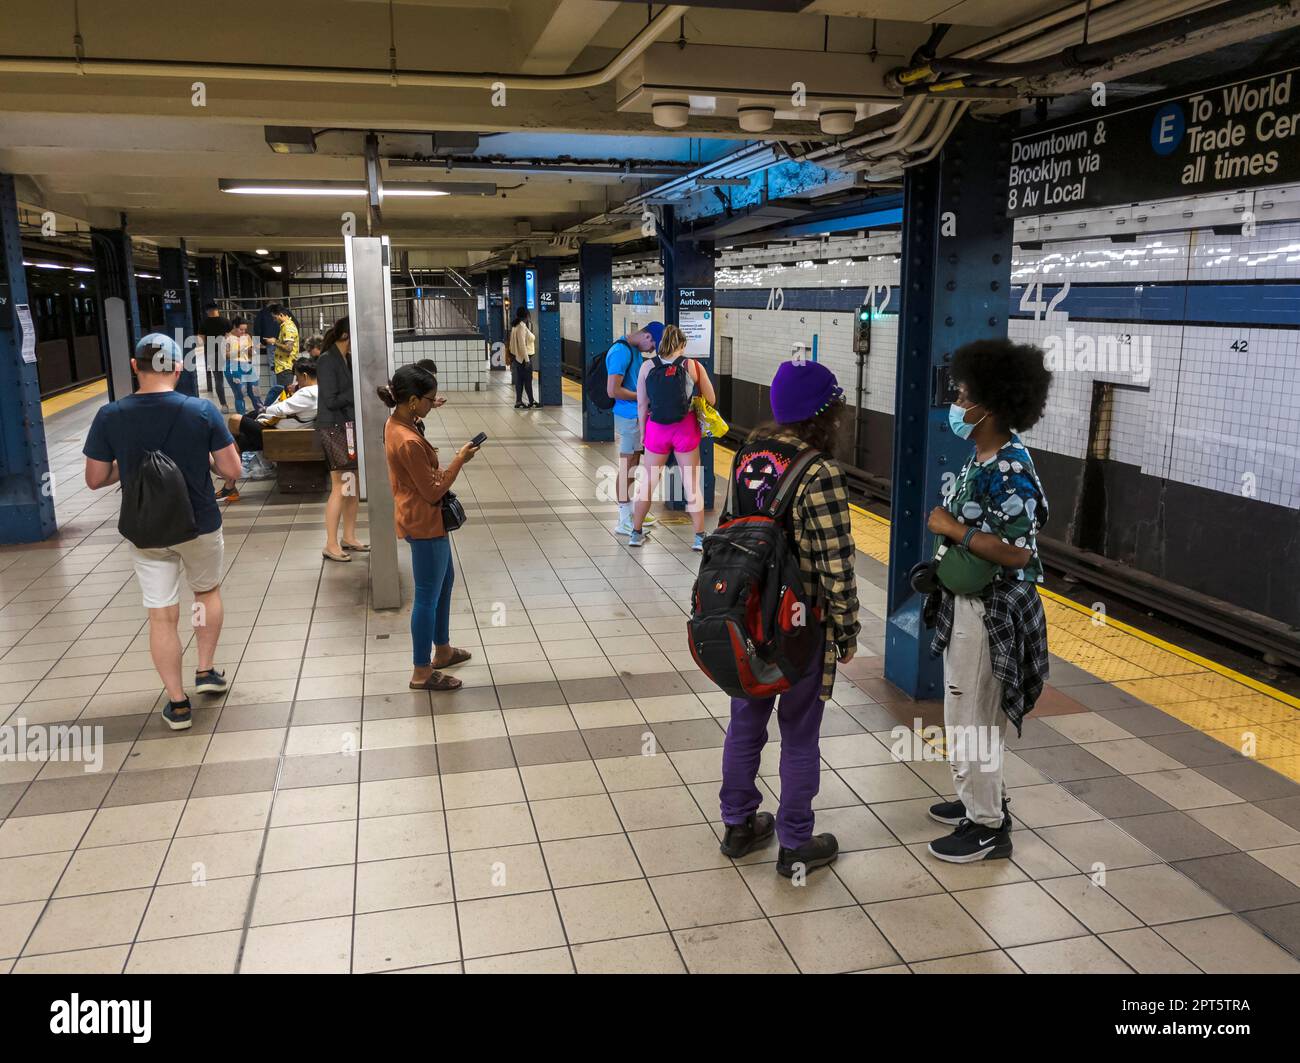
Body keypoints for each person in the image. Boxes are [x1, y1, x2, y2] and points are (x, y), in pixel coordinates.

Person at [716, 359, 859, 877]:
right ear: (825, 414)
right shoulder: (819, 472)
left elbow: (730, 529)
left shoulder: (747, 455)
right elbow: (836, 562)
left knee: (745, 721)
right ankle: (795, 842)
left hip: (748, 617)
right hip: (800, 623)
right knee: (800, 732)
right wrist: (845, 628)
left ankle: (738, 825)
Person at [924, 339, 1052, 864]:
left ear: (993, 406)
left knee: (970, 715)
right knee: (972, 711)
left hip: (990, 608)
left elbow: (1018, 554)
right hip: (970, 601)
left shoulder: (1010, 469)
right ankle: (980, 797)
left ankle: (987, 828)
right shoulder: (985, 455)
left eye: (964, 393)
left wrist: (951, 527)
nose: (957, 400)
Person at [82, 333, 243, 730]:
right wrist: (201, 458)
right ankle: (205, 670)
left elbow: (95, 478)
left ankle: (178, 704)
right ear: (177, 367)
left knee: (161, 616)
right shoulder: (202, 411)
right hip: (199, 524)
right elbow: (233, 471)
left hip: (146, 528)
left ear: (135, 367)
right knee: (205, 592)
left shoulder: (111, 416)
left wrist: (133, 464)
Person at [379, 365, 479, 691]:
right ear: (411, 400)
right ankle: (421, 671)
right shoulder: (407, 441)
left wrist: (425, 407)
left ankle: (444, 650)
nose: (433, 404)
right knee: (426, 597)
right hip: (423, 521)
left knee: (445, 581)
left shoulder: (399, 422)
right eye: (429, 399)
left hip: (425, 518)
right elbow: (433, 491)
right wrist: (460, 459)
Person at [630, 324, 716, 551]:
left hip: (657, 429)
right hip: (685, 428)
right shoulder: (693, 365)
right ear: (683, 344)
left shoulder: (647, 366)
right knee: (691, 485)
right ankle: (699, 538)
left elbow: (642, 404)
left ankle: (636, 533)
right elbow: (712, 398)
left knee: (648, 483)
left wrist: (644, 433)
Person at [216, 357, 319, 502]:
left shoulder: (307, 393)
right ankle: (231, 482)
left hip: (277, 436)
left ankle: (232, 475)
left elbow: (275, 409)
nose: (296, 381)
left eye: (297, 377)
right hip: (281, 433)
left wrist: (268, 407)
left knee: (235, 420)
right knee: (241, 440)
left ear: (305, 376)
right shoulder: (318, 391)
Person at [605, 322, 662, 537]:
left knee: (633, 464)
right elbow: (613, 390)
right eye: (653, 346)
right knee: (626, 465)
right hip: (628, 417)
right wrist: (643, 397)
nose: (651, 351)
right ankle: (623, 519)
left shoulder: (634, 350)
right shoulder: (620, 351)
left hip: (635, 416)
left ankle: (631, 511)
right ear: (646, 336)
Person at [316, 315, 365, 562]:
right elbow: (331, 400)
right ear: (346, 335)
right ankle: (331, 543)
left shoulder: (346, 359)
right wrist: (356, 389)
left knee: (352, 483)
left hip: (347, 426)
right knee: (340, 486)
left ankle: (349, 536)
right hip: (333, 427)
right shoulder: (327, 361)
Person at [224, 318, 262, 416]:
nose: (243, 332)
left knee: (255, 391)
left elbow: (251, 354)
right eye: (241, 329)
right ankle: (241, 417)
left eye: (245, 329)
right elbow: (226, 355)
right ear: (234, 327)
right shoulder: (227, 338)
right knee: (240, 393)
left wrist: (253, 349)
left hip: (247, 365)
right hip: (234, 366)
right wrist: (240, 350)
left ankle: (261, 412)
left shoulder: (247, 336)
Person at [197, 302, 231, 411]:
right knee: (236, 376)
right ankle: (240, 401)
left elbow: (200, 339)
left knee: (218, 380)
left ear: (207, 311)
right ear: (217, 309)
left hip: (212, 352)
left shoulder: (204, 323)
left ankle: (224, 405)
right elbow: (231, 337)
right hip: (227, 352)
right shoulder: (225, 321)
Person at [507, 307, 538, 408]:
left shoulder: (516, 326)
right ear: (527, 316)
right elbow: (522, 345)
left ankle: (519, 401)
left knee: (519, 380)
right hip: (524, 359)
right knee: (527, 380)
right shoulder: (521, 327)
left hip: (518, 358)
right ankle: (531, 401)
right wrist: (527, 360)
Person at [268, 303, 300, 391]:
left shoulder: (288, 327)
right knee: (284, 394)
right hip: (283, 367)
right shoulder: (286, 326)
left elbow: (288, 348)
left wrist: (274, 342)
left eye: (275, 317)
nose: (274, 320)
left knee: (286, 395)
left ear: (281, 315)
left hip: (285, 368)